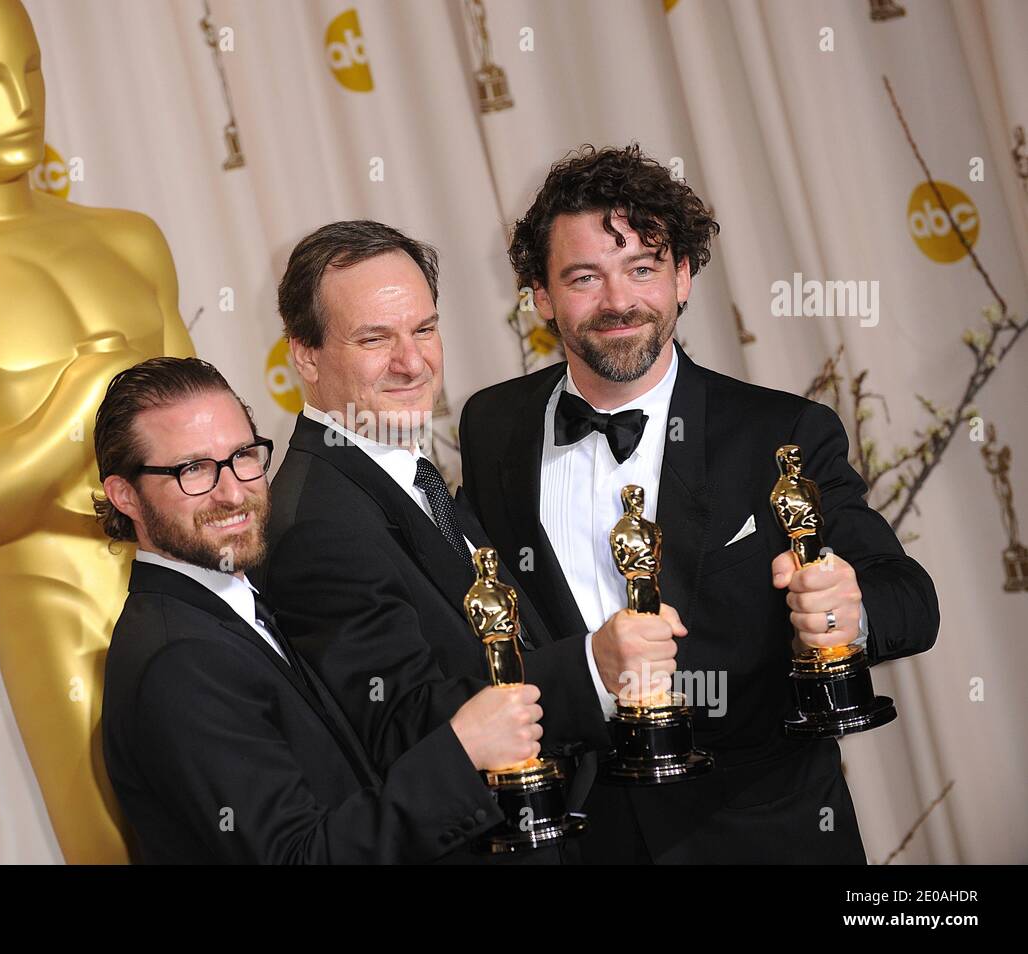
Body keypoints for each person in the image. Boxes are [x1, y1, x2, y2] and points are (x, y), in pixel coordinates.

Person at [458, 143, 940, 863]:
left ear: (683, 277)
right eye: (585, 277)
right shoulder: (492, 425)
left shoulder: (781, 432)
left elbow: (913, 600)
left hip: (756, 834)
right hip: (579, 834)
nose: (619, 302)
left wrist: (852, 610)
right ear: (540, 295)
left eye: (643, 269)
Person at [95, 356, 542, 864]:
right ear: (125, 495)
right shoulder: (179, 662)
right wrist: (459, 755)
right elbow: (299, 857)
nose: (233, 490)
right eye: (193, 469)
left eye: (242, 455)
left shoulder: (231, 607)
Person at [260, 221, 609, 865]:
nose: (412, 362)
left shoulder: (401, 471)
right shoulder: (319, 524)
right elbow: (405, 723)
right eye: (374, 338)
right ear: (304, 356)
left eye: (423, 329)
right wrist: (592, 669)